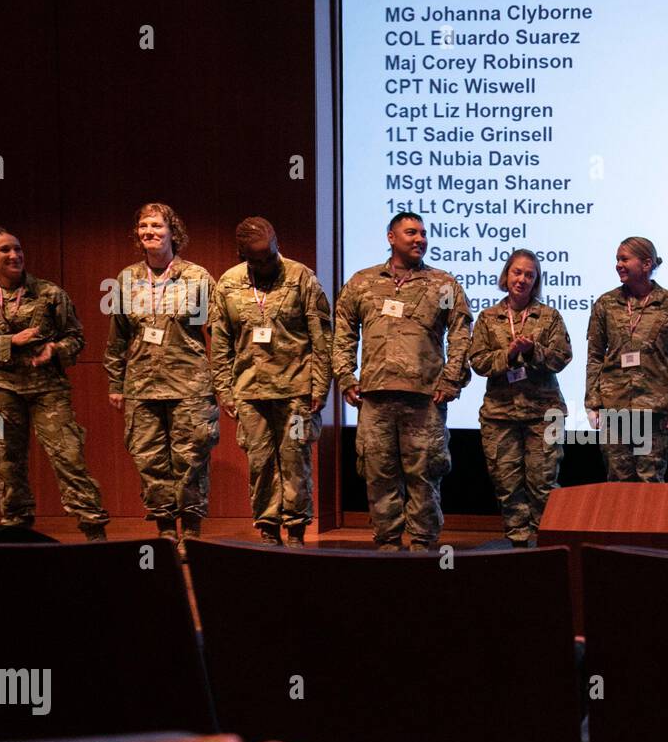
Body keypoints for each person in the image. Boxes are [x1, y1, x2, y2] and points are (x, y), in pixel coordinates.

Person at [0, 226, 108, 540]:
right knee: (6, 458)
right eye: (5, 250)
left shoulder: (49, 293)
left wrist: (55, 350)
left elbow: (77, 338)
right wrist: (10, 342)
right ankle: (15, 531)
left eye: (18, 248)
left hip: (48, 390)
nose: (14, 255)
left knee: (68, 456)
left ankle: (94, 532)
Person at [332, 212, 472, 551]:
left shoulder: (443, 284)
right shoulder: (362, 282)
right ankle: (387, 542)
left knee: (424, 473)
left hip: (424, 398)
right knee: (379, 474)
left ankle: (424, 544)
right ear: (391, 237)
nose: (419, 239)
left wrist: (451, 379)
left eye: (423, 233)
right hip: (375, 397)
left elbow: (461, 333)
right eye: (411, 232)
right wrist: (345, 376)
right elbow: (343, 332)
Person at [210, 217, 333, 546]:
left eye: (271, 254)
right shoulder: (228, 284)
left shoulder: (301, 277)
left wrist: (320, 387)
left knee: (295, 458)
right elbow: (220, 343)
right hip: (250, 393)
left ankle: (295, 529)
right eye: (258, 259)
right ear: (242, 255)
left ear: (278, 243)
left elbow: (321, 337)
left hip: (296, 391)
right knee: (260, 461)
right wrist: (225, 390)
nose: (267, 263)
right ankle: (267, 527)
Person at [104, 203, 218, 544]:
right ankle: (166, 532)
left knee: (191, 459)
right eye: (143, 226)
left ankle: (192, 532)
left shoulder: (197, 277)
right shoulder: (127, 279)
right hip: (141, 386)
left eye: (156, 225)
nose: (148, 231)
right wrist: (115, 382)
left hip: (190, 385)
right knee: (150, 460)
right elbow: (118, 336)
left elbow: (217, 332)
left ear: (173, 232)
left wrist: (226, 382)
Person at [468, 249, 572, 546]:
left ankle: (546, 542)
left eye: (529, 274)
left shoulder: (550, 316)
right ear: (506, 275)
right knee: (507, 483)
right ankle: (517, 543)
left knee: (543, 484)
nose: (522, 279)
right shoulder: (488, 318)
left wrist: (532, 352)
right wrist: (509, 355)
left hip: (543, 413)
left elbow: (562, 357)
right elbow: (478, 362)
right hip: (500, 415)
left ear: (536, 280)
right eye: (517, 272)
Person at [585, 237, 668, 481]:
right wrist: (593, 402)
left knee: (649, 481)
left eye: (624, 259)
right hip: (615, 404)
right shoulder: (605, 304)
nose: (618, 265)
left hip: (654, 408)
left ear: (646, 264)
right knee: (618, 482)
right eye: (617, 260)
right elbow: (595, 356)